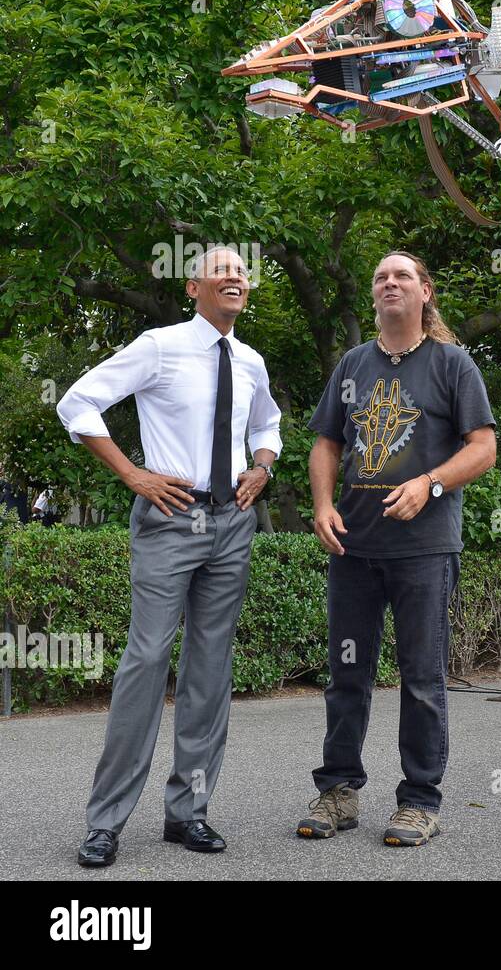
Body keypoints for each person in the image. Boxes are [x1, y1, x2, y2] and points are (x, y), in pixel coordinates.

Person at [56, 246, 281, 868]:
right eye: (222, 270)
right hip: (170, 517)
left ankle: (189, 814)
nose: (235, 277)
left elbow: (268, 425)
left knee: (211, 668)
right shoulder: (159, 346)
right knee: (147, 658)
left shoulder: (251, 361)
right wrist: (133, 475)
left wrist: (261, 467)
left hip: (231, 521)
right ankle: (105, 822)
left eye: (241, 271)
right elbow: (76, 403)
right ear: (193, 287)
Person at [297, 251, 495, 848]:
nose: (389, 282)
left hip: (424, 550)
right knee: (347, 673)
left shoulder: (453, 365)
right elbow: (326, 443)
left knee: (421, 677)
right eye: (380, 276)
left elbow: (483, 448)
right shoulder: (353, 365)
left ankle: (419, 800)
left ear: (425, 293)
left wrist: (430, 483)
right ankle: (338, 791)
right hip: (353, 547)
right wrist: (323, 505)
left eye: (401, 275)